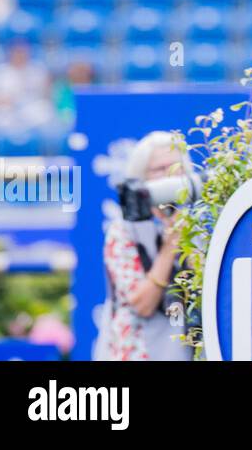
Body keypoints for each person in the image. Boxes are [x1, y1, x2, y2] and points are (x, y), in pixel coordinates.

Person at [98, 132, 196, 360]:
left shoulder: (197, 224)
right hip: (138, 350)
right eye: (160, 169)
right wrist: (172, 242)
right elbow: (142, 304)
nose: (170, 175)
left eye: (176, 167)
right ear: (142, 177)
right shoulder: (123, 230)